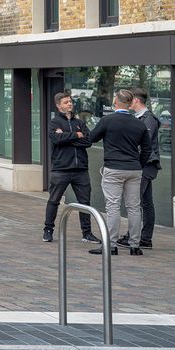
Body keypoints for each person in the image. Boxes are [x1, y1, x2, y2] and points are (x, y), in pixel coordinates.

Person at [88, 89, 152, 256]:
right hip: (134, 169)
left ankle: (111, 245)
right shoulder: (139, 124)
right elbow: (147, 149)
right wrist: (139, 163)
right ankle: (134, 245)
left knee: (113, 207)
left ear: (116, 102)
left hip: (114, 168)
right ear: (131, 104)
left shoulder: (107, 120)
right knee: (134, 207)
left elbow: (92, 138)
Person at [42, 91, 99, 244]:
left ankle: (87, 233)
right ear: (58, 105)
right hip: (61, 169)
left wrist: (67, 136)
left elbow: (88, 141)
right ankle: (48, 230)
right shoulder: (54, 123)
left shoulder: (79, 122)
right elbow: (56, 138)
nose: (70, 104)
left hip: (80, 169)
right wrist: (76, 135)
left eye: (70, 102)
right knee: (54, 200)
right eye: (66, 102)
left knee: (85, 203)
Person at [127, 87, 161, 250]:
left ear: (136, 100)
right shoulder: (140, 118)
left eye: (130, 99)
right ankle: (145, 238)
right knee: (146, 202)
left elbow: (143, 144)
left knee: (136, 201)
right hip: (144, 164)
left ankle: (134, 236)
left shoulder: (148, 119)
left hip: (146, 165)